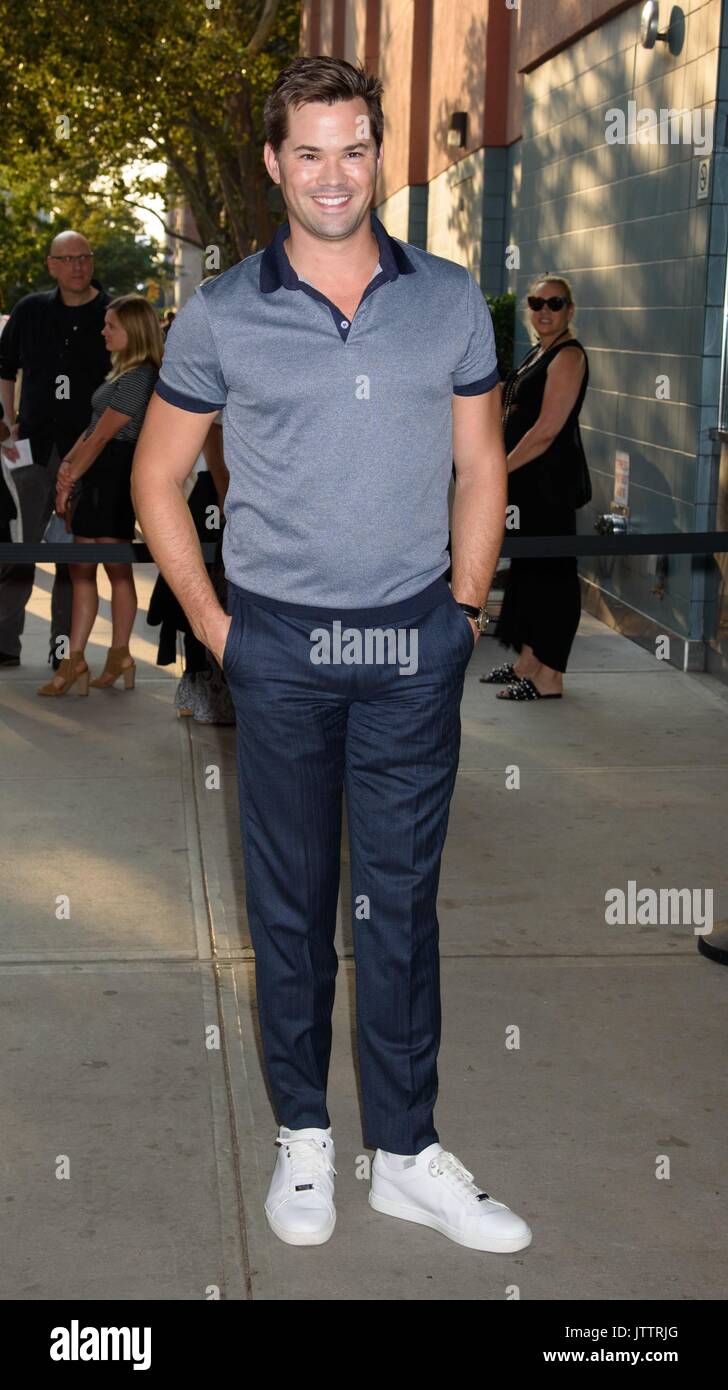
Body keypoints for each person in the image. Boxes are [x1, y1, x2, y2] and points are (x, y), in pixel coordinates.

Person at [132, 55, 531, 1256]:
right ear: (272, 164)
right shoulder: (219, 313)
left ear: (377, 153)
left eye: (352, 147)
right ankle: (304, 1135)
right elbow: (155, 477)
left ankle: (403, 1151)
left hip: (412, 637)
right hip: (280, 647)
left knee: (402, 904)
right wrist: (217, 631)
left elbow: (479, 465)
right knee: (293, 905)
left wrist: (461, 612)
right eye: (306, 151)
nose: (332, 173)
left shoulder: (451, 298)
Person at [36, 294, 162, 697]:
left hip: (112, 476)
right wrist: (66, 470)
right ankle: (76, 660)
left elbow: (106, 435)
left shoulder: (141, 375)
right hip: (95, 473)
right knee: (81, 570)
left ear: (134, 331)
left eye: (112, 326)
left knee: (116, 570)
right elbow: (91, 430)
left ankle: (119, 654)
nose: (103, 331)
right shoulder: (121, 374)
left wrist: (71, 477)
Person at [0, 230, 111, 668]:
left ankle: (63, 651)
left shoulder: (111, 313)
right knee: (17, 550)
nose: (77, 266)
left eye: (84, 257)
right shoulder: (30, 311)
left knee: (73, 561)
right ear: (51, 265)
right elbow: (5, 369)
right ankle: (5, 643)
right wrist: (7, 426)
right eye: (67, 259)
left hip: (89, 458)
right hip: (32, 451)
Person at [481, 275, 589, 700]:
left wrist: (498, 471)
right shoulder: (538, 353)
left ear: (569, 310)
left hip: (549, 485)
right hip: (526, 484)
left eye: (555, 303)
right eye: (537, 302)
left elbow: (546, 431)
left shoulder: (568, 356)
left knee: (554, 575)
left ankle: (550, 677)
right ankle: (528, 662)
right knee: (528, 572)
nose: (545, 310)